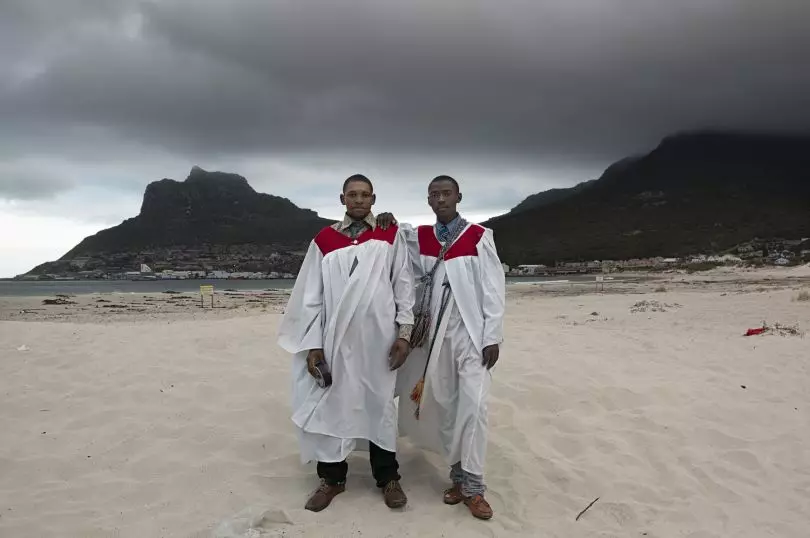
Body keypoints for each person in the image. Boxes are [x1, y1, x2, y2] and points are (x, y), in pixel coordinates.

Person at [277, 174, 415, 512]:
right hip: (334, 341)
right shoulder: (324, 239)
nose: (358, 200)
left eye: (365, 195)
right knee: (331, 403)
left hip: (378, 340)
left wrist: (403, 333)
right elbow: (312, 297)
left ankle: (388, 478)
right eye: (352, 194)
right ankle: (332, 479)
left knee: (380, 404)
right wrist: (313, 345)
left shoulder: (389, 233)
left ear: (374, 199)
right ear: (342, 199)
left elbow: (404, 284)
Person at [394, 175, 505, 520]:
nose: (441, 199)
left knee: (474, 406)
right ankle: (457, 476)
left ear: (459, 197)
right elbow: (393, 252)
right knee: (443, 404)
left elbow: (492, 289)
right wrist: (383, 219)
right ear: (428, 200)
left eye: (447, 193)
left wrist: (492, 336)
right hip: (433, 338)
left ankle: (473, 487)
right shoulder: (420, 238)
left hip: (470, 335)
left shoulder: (478, 237)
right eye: (434, 194)